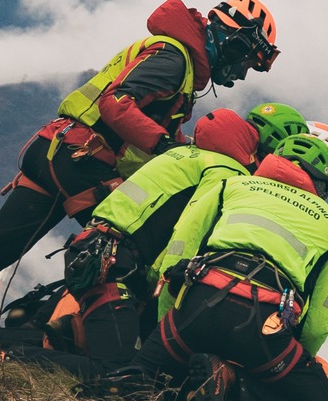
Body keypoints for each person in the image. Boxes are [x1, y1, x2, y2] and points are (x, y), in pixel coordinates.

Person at [0, 0, 281, 343]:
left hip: (56, 150)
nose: (244, 72)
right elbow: (117, 104)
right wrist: (165, 148)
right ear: (232, 40)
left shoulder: (177, 59)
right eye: (247, 60)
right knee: (127, 252)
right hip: (81, 161)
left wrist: (172, 148)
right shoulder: (175, 59)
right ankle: (97, 354)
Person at [132, 132, 328, 401]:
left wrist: (166, 324)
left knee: (139, 377)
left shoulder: (231, 186)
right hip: (264, 330)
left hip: (196, 310)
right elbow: (322, 317)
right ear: (323, 181)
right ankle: (234, 386)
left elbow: (179, 248)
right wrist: (289, 362)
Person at [59, 107, 263, 372]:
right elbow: (188, 231)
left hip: (94, 251)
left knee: (124, 357)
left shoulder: (179, 154)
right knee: (115, 369)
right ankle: (4, 358)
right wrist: (166, 288)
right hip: (117, 263)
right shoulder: (226, 171)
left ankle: (40, 340)